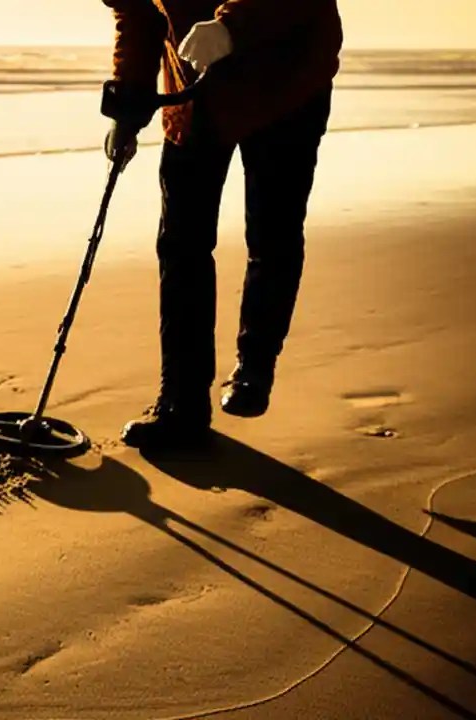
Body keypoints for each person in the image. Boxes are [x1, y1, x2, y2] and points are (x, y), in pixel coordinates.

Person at [101, 0, 343, 450]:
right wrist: (128, 107)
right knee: (180, 243)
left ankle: (255, 366)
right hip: (198, 87)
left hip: (286, 80)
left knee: (272, 231)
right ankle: (182, 405)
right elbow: (137, 16)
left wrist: (232, 26)